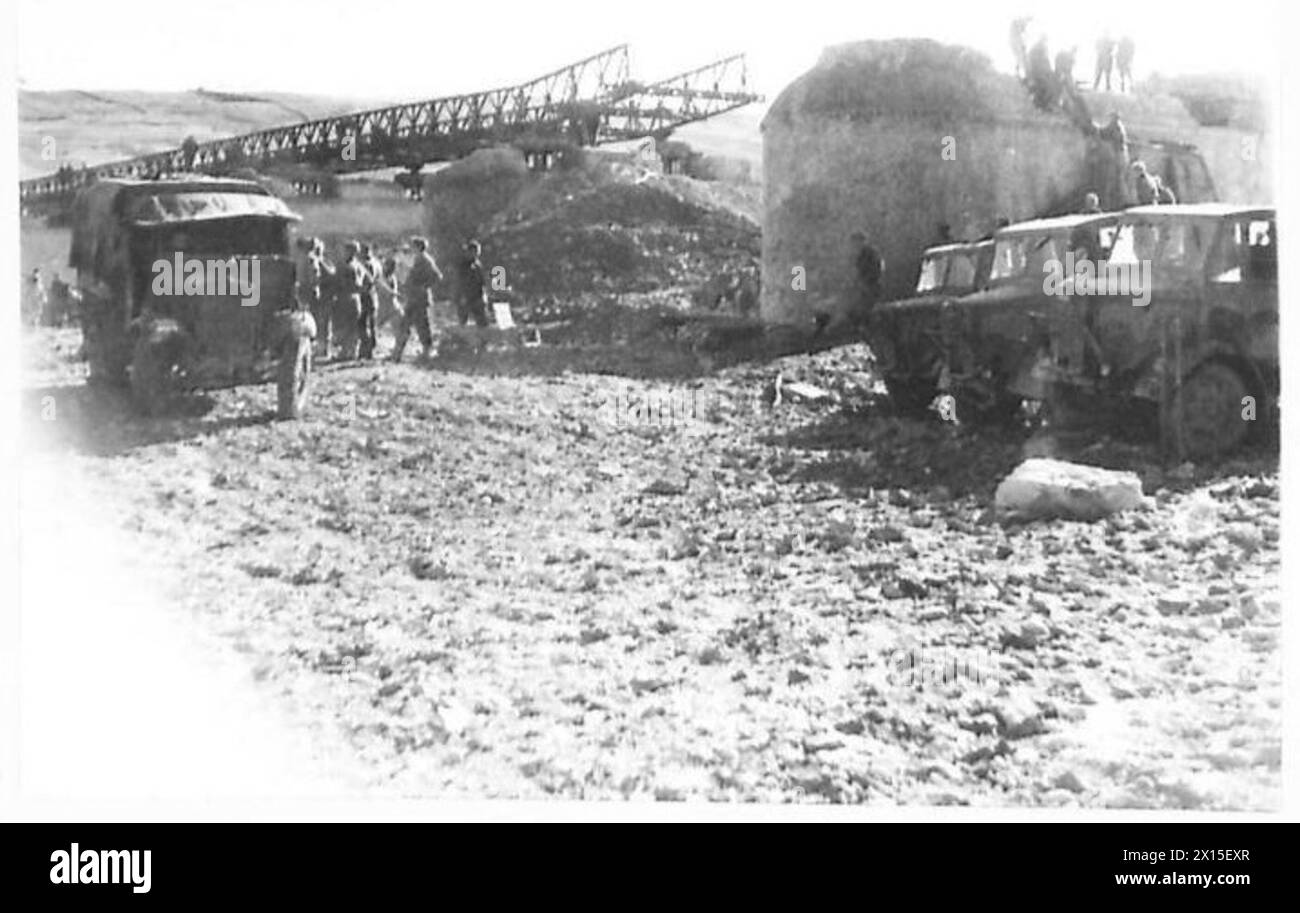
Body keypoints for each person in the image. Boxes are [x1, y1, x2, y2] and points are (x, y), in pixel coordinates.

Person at [392, 236, 443, 362]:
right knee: (405, 325)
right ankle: (397, 353)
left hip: (420, 299)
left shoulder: (426, 260)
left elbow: (437, 276)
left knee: (422, 327)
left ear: (418, 247)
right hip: (413, 298)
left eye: (413, 246)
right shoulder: (417, 259)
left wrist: (423, 286)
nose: (411, 248)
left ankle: (427, 352)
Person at [335, 241, 367, 360]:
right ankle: (352, 351)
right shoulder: (359, 265)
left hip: (345, 297)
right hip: (356, 298)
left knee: (345, 325)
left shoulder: (345, 266)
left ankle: (345, 352)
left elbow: (340, 282)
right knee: (353, 326)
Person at [849, 231, 883, 328]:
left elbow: (877, 268)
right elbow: (858, 270)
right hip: (864, 285)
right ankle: (866, 326)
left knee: (872, 307)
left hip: (872, 284)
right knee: (863, 306)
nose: (855, 245)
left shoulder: (871, 253)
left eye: (857, 242)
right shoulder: (860, 255)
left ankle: (874, 326)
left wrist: (869, 280)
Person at [357, 242, 383, 360]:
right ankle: (371, 348)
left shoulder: (365, 265)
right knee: (372, 324)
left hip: (365, 296)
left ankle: (366, 350)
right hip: (373, 296)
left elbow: (364, 282)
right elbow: (379, 279)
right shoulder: (377, 263)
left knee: (363, 324)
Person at [311, 238, 336, 358]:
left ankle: (323, 350)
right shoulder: (325, 262)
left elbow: (331, 275)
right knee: (323, 325)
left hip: (324, 298)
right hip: (324, 298)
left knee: (323, 325)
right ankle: (323, 349)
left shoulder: (320, 262)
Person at [456, 239, 489, 328]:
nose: (477, 254)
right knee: (463, 322)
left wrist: (485, 293)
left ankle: (483, 337)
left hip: (478, 297)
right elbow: (461, 282)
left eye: (478, 252)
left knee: (482, 322)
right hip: (466, 297)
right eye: (475, 252)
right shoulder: (463, 265)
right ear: (470, 251)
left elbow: (482, 280)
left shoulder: (477, 264)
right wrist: (462, 296)